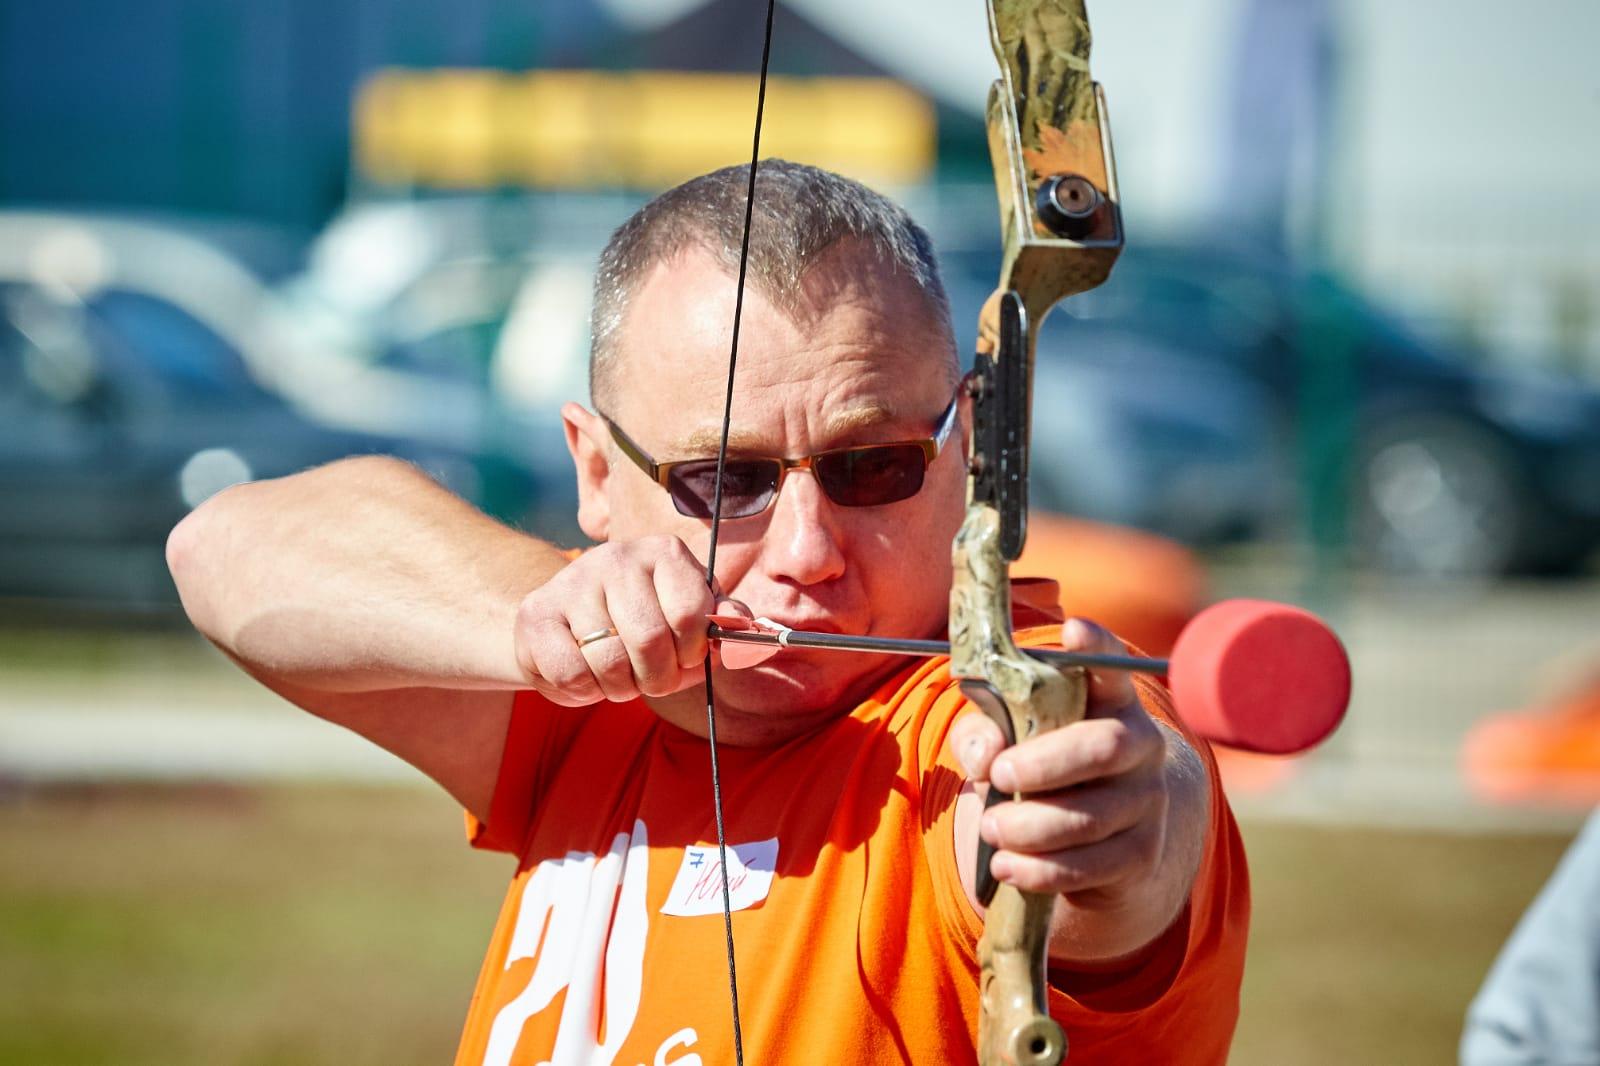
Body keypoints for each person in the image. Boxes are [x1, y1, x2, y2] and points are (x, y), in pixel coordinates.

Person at [167, 160, 1248, 1065]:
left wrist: (1110, 828)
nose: (808, 551)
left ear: (964, 444)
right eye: (726, 480)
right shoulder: (601, 700)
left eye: (873, 464)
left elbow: (1106, 832)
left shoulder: (983, 714)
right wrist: (545, 618)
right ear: (597, 474)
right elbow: (221, 549)